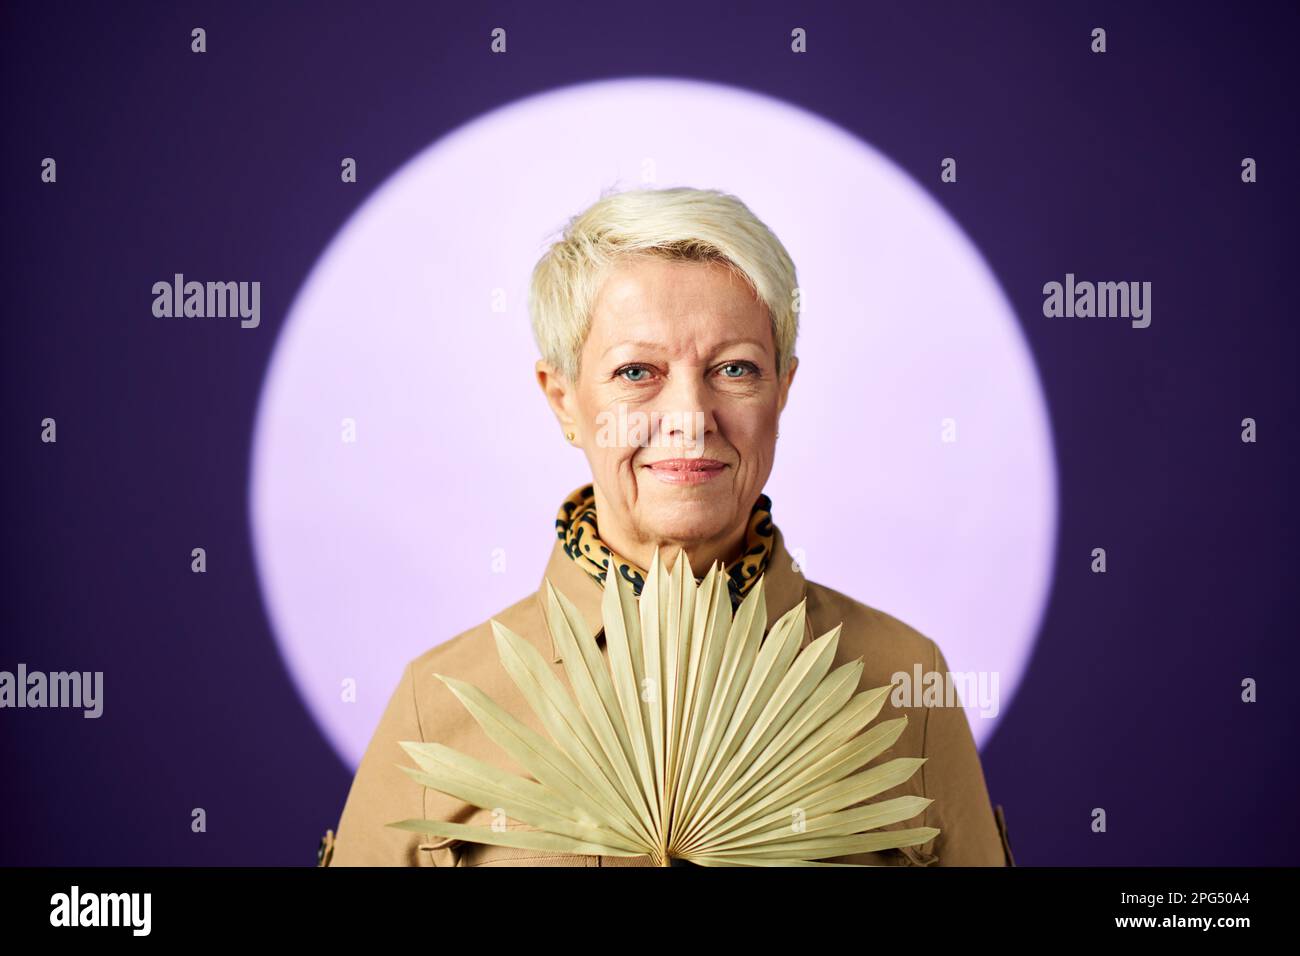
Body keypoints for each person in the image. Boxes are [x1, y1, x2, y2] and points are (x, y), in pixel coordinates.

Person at [318, 186, 1015, 867]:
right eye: (637, 372)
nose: (689, 416)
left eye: (735, 368)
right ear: (562, 399)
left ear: (783, 393)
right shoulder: (434, 704)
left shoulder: (903, 681)